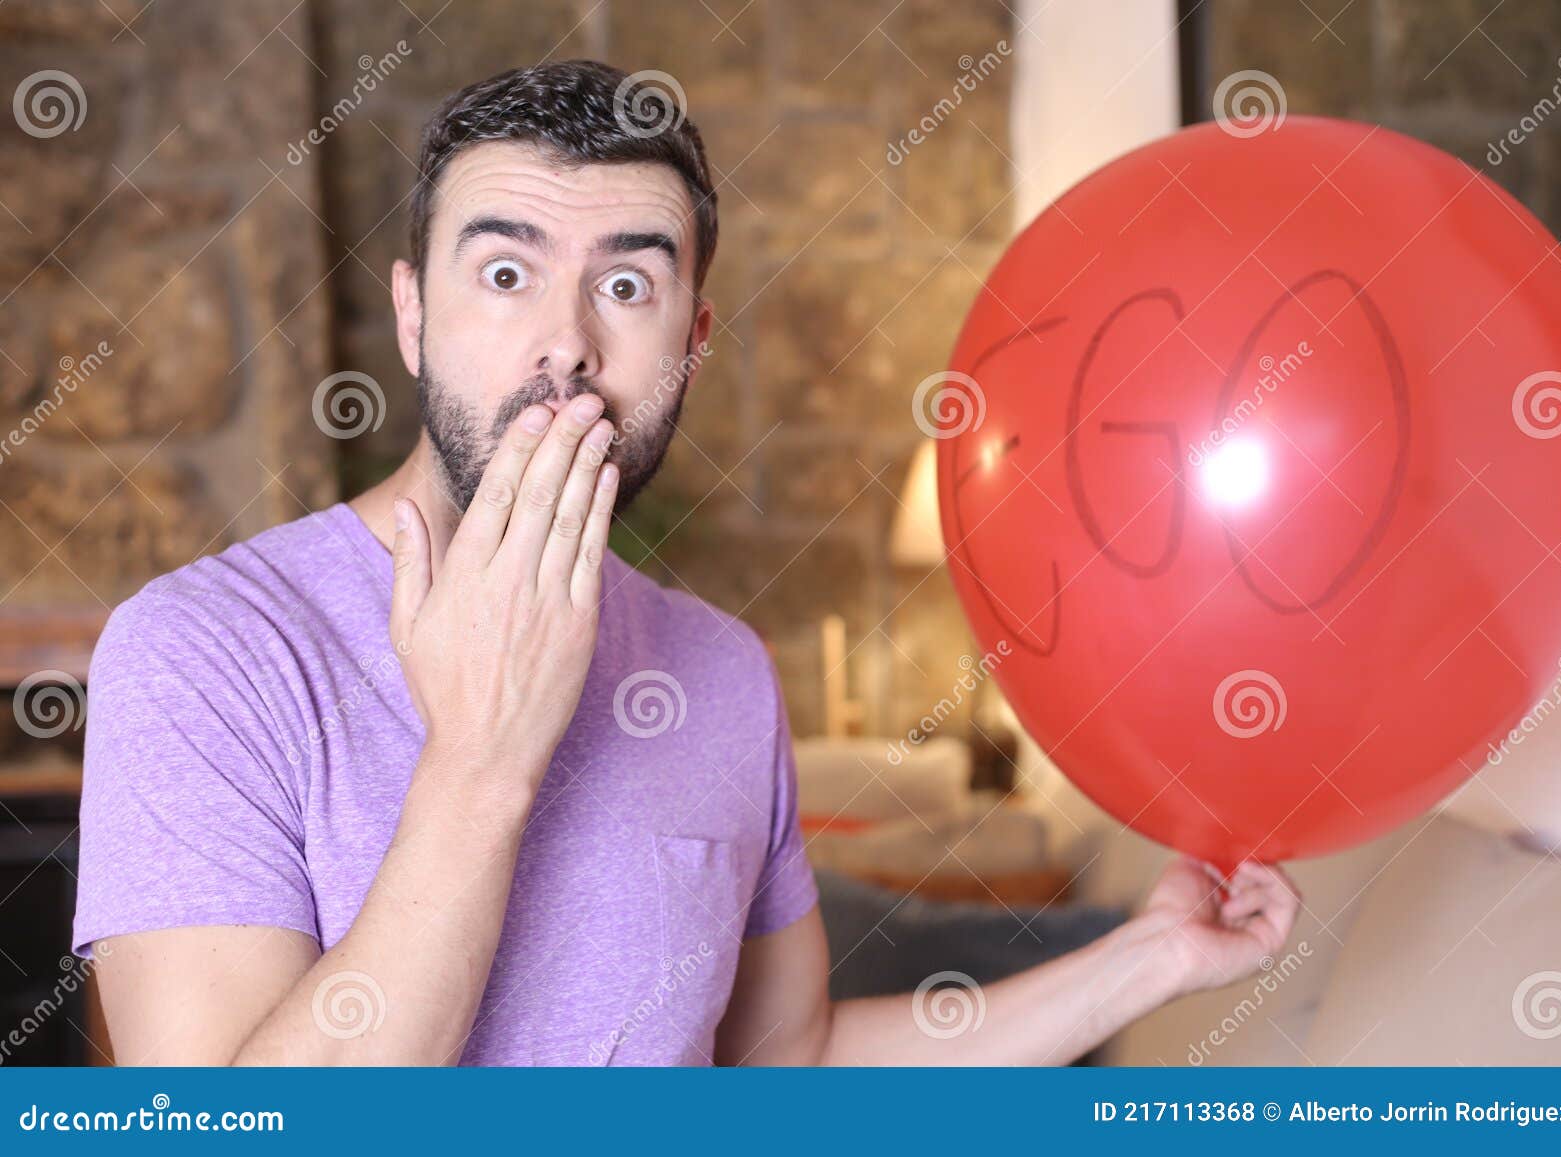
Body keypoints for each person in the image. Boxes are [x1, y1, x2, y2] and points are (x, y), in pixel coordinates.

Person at [74, 59, 1300, 1066]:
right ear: (411, 314)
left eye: (626, 282)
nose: (565, 343)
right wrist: (483, 760)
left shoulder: (717, 670)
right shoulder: (204, 651)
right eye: (504, 275)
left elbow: (790, 1068)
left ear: (693, 339)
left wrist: (1150, 958)